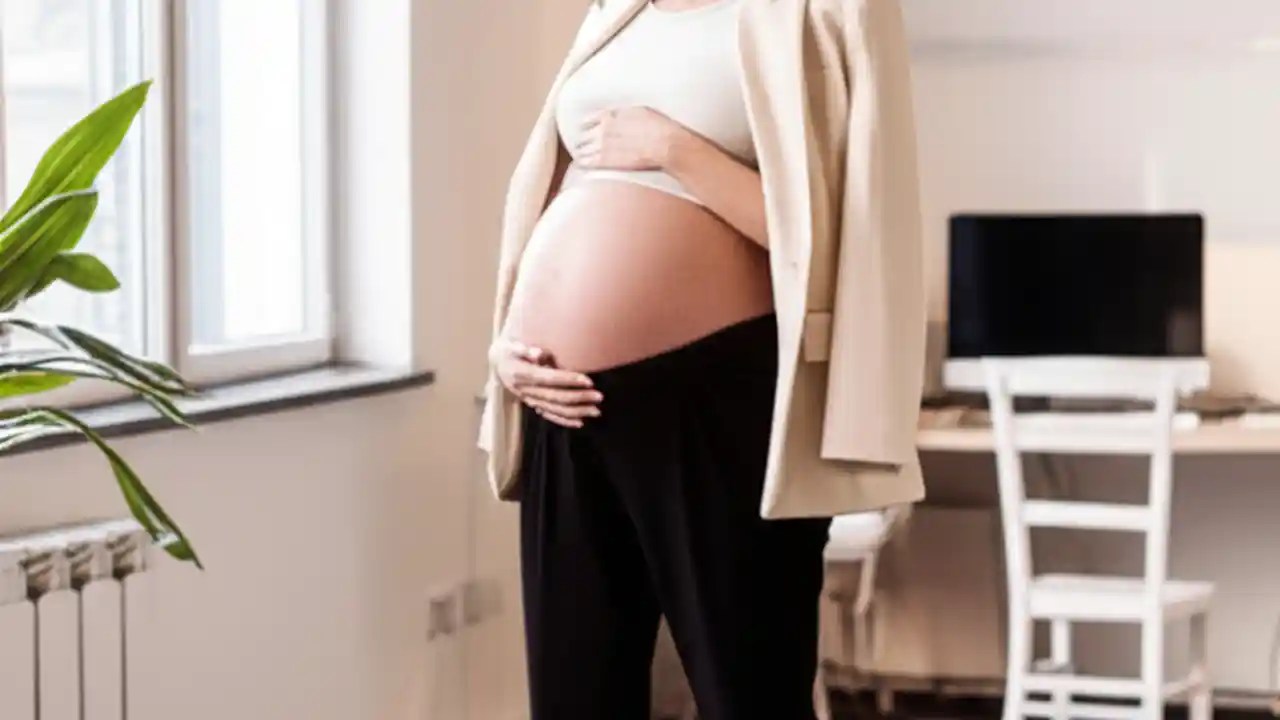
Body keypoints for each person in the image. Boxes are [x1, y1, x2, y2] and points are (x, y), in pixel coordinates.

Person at [477, 0, 926, 717]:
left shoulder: (826, 11)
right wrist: (508, 341)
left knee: (750, 693)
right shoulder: (618, 11)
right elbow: (563, 184)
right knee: (574, 699)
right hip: (554, 401)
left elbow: (848, 238)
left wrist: (676, 149)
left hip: (718, 396)